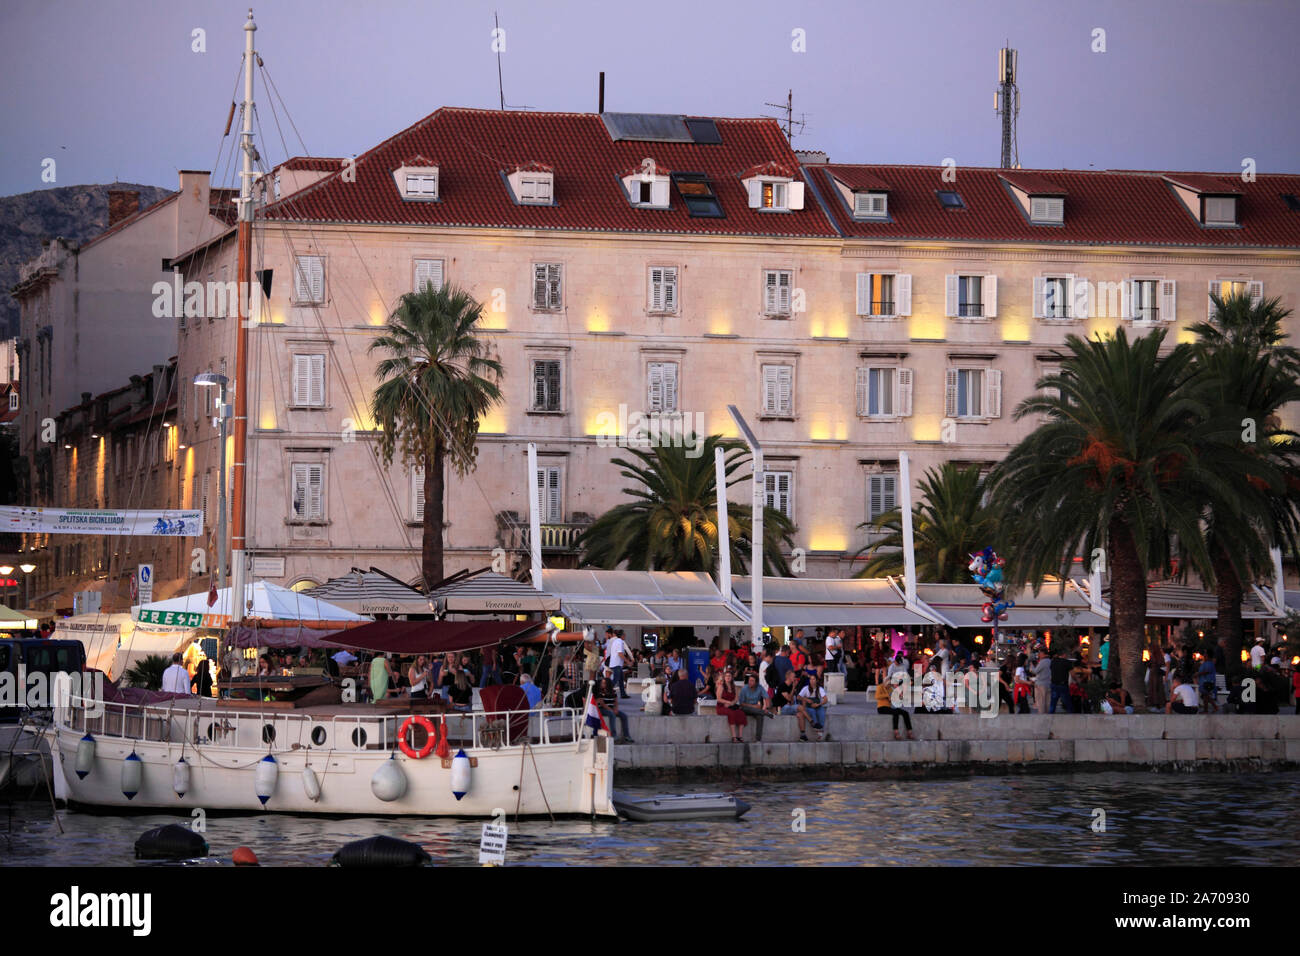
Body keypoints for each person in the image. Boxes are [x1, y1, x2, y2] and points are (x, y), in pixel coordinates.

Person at [595, 669, 634, 743]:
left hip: (611, 708)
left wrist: (616, 709)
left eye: (604, 683)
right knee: (612, 714)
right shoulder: (600, 692)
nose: (602, 685)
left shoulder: (613, 692)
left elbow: (616, 702)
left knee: (624, 716)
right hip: (603, 709)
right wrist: (611, 710)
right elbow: (602, 704)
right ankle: (614, 735)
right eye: (602, 683)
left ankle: (626, 735)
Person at [876, 671, 913, 739]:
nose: (889, 685)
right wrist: (887, 696)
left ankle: (909, 731)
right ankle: (896, 731)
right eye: (889, 684)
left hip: (888, 707)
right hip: (881, 708)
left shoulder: (890, 689)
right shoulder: (880, 687)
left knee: (905, 713)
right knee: (895, 713)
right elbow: (877, 696)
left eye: (890, 684)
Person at [715, 666, 747, 743]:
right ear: (724, 677)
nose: (728, 677)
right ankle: (734, 736)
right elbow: (718, 699)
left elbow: (736, 699)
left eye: (729, 676)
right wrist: (727, 702)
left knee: (741, 713)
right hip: (721, 706)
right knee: (731, 713)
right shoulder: (721, 686)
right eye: (726, 676)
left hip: (730, 705)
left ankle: (740, 736)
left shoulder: (734, 687)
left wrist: (731, 703)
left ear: (732, 677)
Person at [736, 673, 772, 740]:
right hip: (745, 708)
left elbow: (767, 698)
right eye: (749, 680)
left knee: (760, 716)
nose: (750, 682)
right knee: (754, 710)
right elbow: (741, 703)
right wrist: (753, 706)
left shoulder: (759, 687)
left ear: (756, 683)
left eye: (752, 681)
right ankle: (764, 713)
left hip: (756, 710)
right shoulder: (744, 689)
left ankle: (758, 739)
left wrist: (767, 707)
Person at [795, 673, 828, 741]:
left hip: (817, 705)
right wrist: (806, 699)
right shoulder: (806, 688)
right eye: (811, 679)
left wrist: (818, 705)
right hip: (808, 706)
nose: (812, 681)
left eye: (813, 679)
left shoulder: (820, 688)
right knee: (812, 711)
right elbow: (798, 697)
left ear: (816, 680)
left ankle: (820, 729)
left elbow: (825, 699)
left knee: (822, 712)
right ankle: (815, 726)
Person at [604, 629, 631, 698]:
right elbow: (620, 654)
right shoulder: (619, 642)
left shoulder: (616, 641)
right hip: (617, 664)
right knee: (615, 679)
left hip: (615, 663)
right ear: (621, 635)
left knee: (621, 679)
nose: (625, 636)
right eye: (624, 634)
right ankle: (605, 691)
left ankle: (623, 694)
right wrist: (627, 661)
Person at [1032, 648, 1052, 714]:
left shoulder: (1043, 661)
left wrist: (1031, 666)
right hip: (1048, 683)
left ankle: (1041, 718)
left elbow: (1035, 671)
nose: (1039, 655)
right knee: (1047, 702)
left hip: (1040, 684)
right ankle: (1047, 716)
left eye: (1040, 653)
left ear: (1043, 654)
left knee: (1040, 702)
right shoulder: (1050, 661)